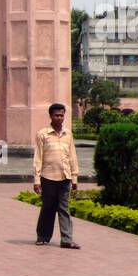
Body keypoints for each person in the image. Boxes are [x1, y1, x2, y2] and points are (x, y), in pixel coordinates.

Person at [33, 102, 81, 249]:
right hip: (48, 177)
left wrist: (74, 177)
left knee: (64, 209)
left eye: (62, 115)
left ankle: (66, 240)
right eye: (56, 115)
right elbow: (38, 157)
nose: (59, 118)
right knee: (47, 208)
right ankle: (43, 236)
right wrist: (37, 180)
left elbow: (72, 156)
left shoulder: (68, 134)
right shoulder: (43, 134)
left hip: (65, 176)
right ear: (51, 116)